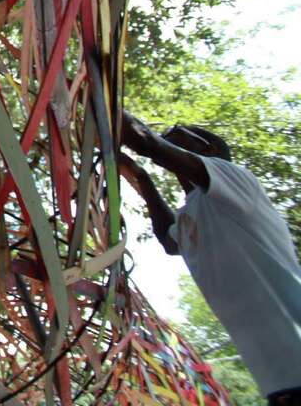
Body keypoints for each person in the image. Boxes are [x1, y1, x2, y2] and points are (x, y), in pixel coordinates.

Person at [119, 112, 301, 404]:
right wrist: (139, 176)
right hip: (279, 381)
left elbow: (146, 142)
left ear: (209, 150)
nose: (169, 132)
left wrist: (100, 90)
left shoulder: (234, 178)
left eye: (180, 130)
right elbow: (170, 239)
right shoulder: (193, 213)